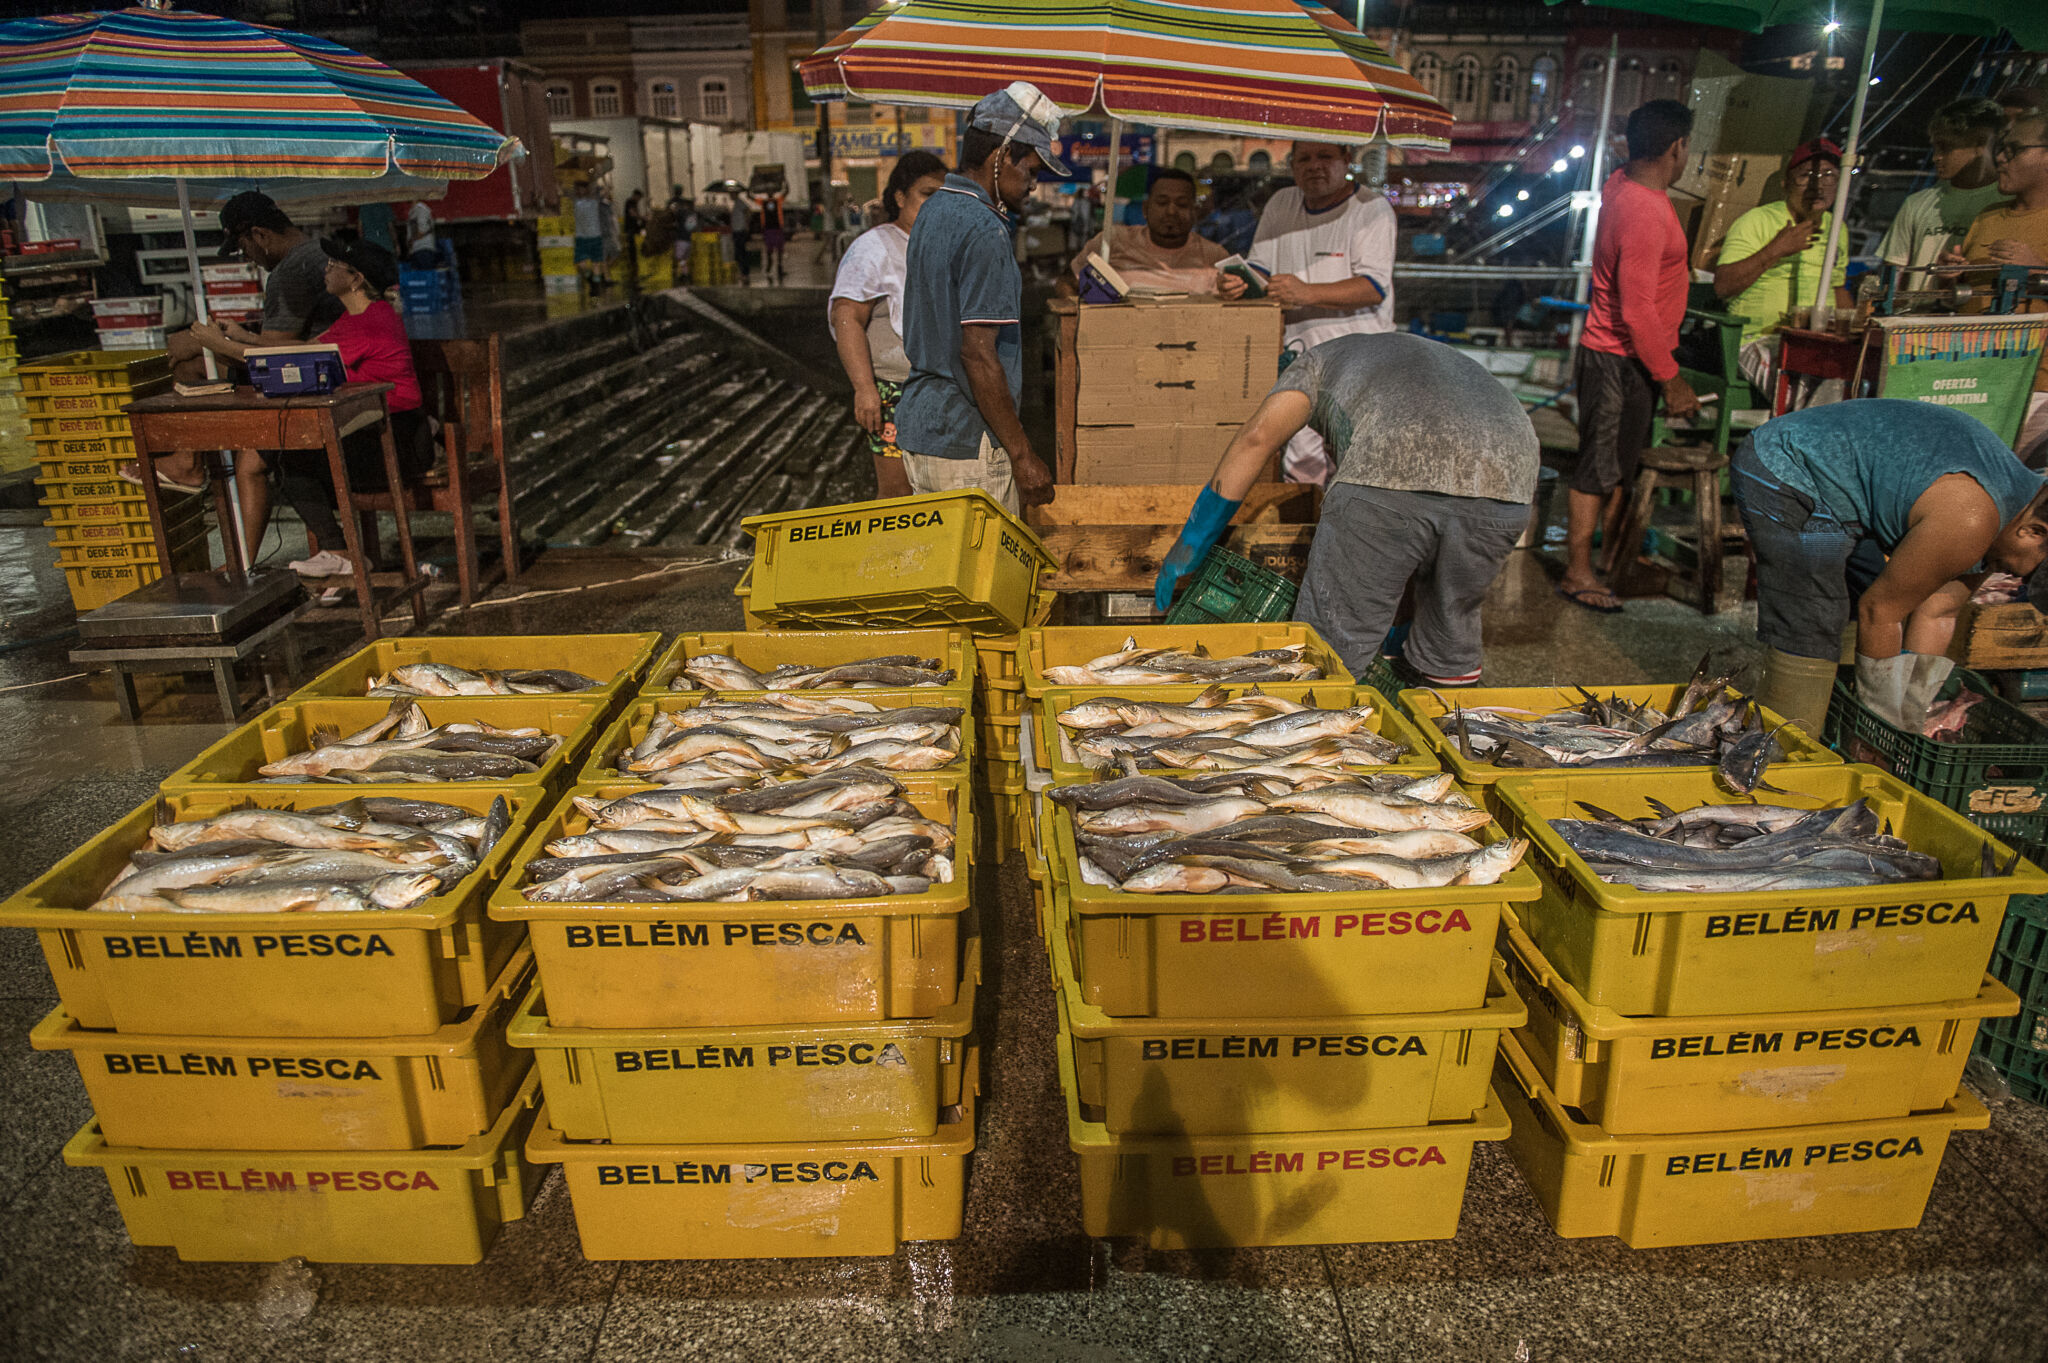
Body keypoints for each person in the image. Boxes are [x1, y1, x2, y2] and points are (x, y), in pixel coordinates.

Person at [1155, 333, 1539, 686]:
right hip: (1510, 477)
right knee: (1450, 629)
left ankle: (1322, 739)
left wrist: (1192, 542)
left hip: (1392, 461)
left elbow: (1257, 439)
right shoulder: (1405, 357)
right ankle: (1447, 734)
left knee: (1331, 650)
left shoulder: (1310, 364)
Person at [1735, 399, 2048, 736]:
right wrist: (1882, 728)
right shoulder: (1972, 521)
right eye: (2031, 572)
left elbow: (1939, 611)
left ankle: (1836, 722)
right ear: (2032, 531)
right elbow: (1880, 612)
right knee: (1815, 618)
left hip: (1847, 490)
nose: (2018, 578)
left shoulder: (2011, 513)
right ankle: (1785, 747)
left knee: (1873, 594)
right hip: (1786, 465)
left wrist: (1911, 717)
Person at [895, 82, 1067, 512]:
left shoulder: (934, 209)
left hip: (921, 433)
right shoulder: (984, 228)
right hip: (966, 440)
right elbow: (977, 354)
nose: (1033, 184)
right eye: (1031, 169)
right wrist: (1023, 455)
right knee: (987, 578)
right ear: (1002, 157)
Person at [1559, 99, 1702, 615]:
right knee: (1597, 468)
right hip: (1617, 356)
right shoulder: (1642, 208)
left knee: (1619, 468)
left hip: (1627, 358)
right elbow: (1637, 309)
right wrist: (1672, 379)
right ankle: (1577, 571)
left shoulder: (1623, 184)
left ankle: (1611, 562)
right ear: (1677, 147)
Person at [220, 238, 433, 579]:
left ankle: (337, 550)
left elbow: (301, 358)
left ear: (355, 279)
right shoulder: (356, 317)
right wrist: (244, 338)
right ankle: (332, 551)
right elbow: (305, 346)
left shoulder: (370, 322)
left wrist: (221, 346)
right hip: (377, 432)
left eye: (333, 265)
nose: (326, 269)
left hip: (397, 442)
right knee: (273, 452)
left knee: (285, 456)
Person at [129, 190, 345, 493]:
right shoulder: (318, 252)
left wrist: (206, 342)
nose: (245, 256)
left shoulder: (290, 271)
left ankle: (189, 462)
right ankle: (190, 461)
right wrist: (222, 337)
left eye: (243, 247)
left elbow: (269, 357)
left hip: (310, 382)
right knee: (192, 349)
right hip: (322, 367)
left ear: (259, 235)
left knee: (190, 362)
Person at [1216, 141, 1396, 485]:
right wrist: (1239, 284)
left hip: (1359, 361)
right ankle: (1308, 537)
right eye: (1305, 158)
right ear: (1292, 165)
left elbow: (1373, 286)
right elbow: (1260, 268)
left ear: (1346, 159)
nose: (1314, 166)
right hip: (1299, 359)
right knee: (1301, 465)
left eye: (1325, 156)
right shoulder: (1281, 202)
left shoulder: (1371, 208)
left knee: (1356, 464)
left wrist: (1306, 293)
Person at [830, 151, 949, 501]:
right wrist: (865, 389)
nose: (934, 204)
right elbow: (847, 316)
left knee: (936, 491)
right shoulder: (873, 247)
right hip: (893, 392)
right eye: (926, 194)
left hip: (940, 390)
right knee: (897, 491)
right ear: (900, 197)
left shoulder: (940, 245)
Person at [1944, 111, 2048, 466]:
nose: (2000, 158)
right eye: (2000, 148)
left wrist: (2041, 270)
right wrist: (1952, 276)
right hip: (1969, 378)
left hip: (2036, 387)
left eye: (2013, 149)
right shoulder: (1988, 214)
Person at [1712, 139, 1854, 396]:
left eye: (1829, 175)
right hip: (1759, 340)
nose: (1817, 184)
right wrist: (1777, 249)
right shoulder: (1757, 221)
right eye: (1805, 176)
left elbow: (1838, 287)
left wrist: (1858, 326)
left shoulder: (1837, 230)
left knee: (1856, 380)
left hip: (1818, 341)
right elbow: (1723, 286)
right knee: (1810, 385)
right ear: (1785, 184)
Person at [1876, 99, 2009, 290]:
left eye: (1946, 147)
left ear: (1981, 143)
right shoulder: (1917, 203)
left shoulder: (2006, 203)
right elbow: (1891, 276)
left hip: (1975, 317)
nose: (1936, 157)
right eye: (1935, 147)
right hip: (1913, 316)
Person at [1055, 168, 1229, 297]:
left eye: (1182, 204)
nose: (1171, 212)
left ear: (1195, 212)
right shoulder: (1111, 242)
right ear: (1145, 209)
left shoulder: (1214, 256)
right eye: (1162, 203)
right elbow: (1067, 284)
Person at [571, 181, 606, 294]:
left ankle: (595, 287)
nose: (582, 191)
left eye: (584, 188)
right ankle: (591, 278)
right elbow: (562, 191)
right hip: (581, 236)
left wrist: (602, 180)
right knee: (581, 263)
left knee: (596, 263)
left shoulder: (595, 200)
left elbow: (606, 191)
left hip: (595, 235)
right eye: (580, 189)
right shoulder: (576, 201)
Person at [759, 191, 788, 283]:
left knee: (777, 250)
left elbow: (786, 192)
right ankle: (770, 268)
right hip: (770, 229)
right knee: (771, 251)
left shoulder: (777, 200)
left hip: (775, 229)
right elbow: (750, 197)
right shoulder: (763, 202)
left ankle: (778, 269)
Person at [405, 200, 438, 269]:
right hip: (417, 249)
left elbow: (422, 231)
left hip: (424, 248)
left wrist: (411, 242)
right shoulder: (412, 211)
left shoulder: (421, 209)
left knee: (424, 275)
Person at [730, 190, 754, 285]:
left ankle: (745, 273)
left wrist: (746, 224)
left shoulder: (740, 202)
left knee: (741, 252)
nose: (730, 196)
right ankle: (742, 272)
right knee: (738, 252)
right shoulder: (736, 203)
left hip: (740, 231)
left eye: (732, 194)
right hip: (736, 231)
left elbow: (748, 211)